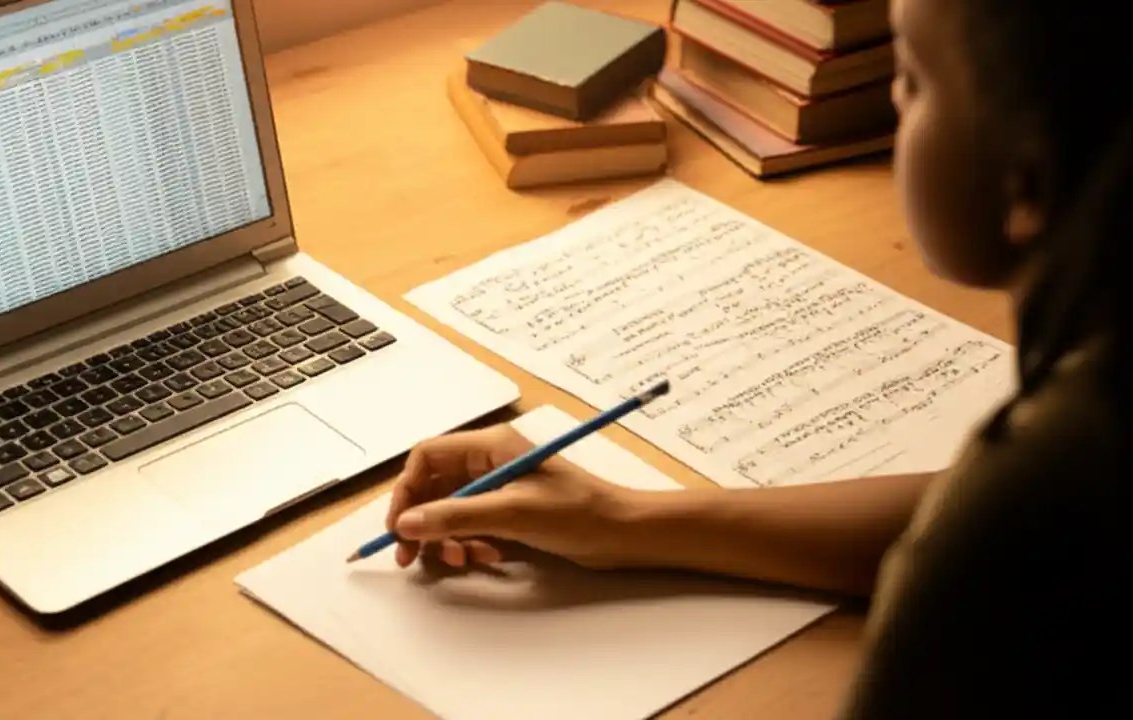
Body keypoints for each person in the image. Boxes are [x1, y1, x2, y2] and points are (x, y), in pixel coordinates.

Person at [384, 0, 1127, 715]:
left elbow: (994, 539)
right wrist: (627, 520)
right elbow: (937, 512)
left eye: (913, 76)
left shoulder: (1048, 490)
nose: (897, 111)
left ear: (1025, 179)